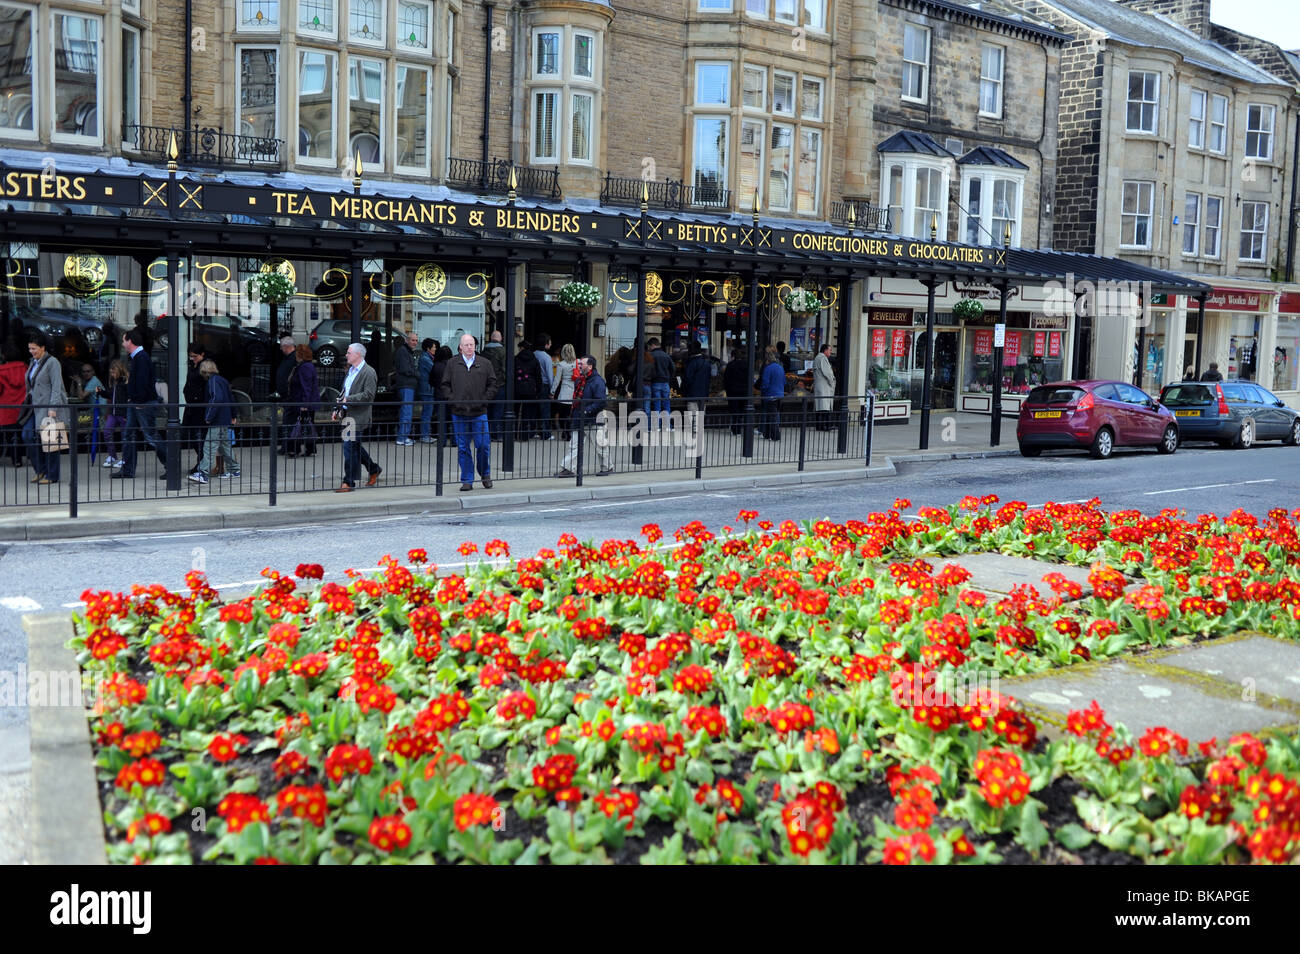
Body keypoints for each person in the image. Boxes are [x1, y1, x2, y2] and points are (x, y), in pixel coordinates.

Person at [438, 332, 497, 492]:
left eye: (472, 344)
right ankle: (467, 479)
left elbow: (493, 383)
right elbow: (445, 384)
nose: (470, 347)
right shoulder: (452, 363)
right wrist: (452, 399)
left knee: (483, 445)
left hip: (480, 412)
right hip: (459, 412)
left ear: (475, 346)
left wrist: (485, 399)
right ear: (460, 347)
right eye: (466, 345)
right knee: (463, 447)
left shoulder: (485, 363)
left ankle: (485, 473)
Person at [113, 329, 168, 480]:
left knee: (150, 436)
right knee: (129, 435)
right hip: (137, 402)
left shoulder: (141, 358)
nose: (123, 344)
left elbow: (143, 382)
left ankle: (171, 465)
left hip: (142, 403)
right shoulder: (138, 357)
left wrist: (138, 400)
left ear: (130, 341)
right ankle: (128, 469)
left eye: (124, 341)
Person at [19, 331, 68, 484]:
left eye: (34, 348)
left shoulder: (52, 362)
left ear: (43, 348)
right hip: (34, 406)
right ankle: (41, 469)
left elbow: (56, 386)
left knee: (50, 440)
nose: (31, 351)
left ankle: (52, 475)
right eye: (30, 348)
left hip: (48, 407)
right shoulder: (33, 362)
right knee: (27, 435)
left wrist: (53, 407)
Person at [333, 342, 382, 492]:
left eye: (349, 352)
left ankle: (348, 482)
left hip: (359, 416)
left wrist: (349, 399)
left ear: (358, 354)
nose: (346, 355)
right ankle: (373, 468)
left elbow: (369, 395)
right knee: (354, 447)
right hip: (348, 414)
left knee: (349, 447)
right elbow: (344, 392)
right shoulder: (351, 371)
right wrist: (337, 408)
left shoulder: (369, 372)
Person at [555, 355, 613, 478]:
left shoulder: (597, 381)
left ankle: (607, 467)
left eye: (582, 364)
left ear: (590, 366)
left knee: (600, 445)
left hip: (593, 419)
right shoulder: (581, 379)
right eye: (579, 364)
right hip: (580, 417)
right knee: (574, 445)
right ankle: (568, 468)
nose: (579, 366)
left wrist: (586, 411)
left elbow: (601, 401)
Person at [189, 360, 239, 484]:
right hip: (225, 418)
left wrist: (209, 416)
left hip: (217, 419)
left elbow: (217, 398)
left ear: (203, 371)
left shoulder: (213, 381)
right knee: (224, 446)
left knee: (209, 446)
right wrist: (233, 415)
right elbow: (231, 398)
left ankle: (203, 473)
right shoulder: (222, 380)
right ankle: (234, 469)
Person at [286, 343, 319, 457]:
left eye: (297, 353)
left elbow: (306, 387)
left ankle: (295, 449)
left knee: (299, 425)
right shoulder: (307, 366)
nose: (295, 355)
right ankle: (309, 448)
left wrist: (304, 404)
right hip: (304, 401)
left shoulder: (305, 367)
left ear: (300, 354)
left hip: (303, 402)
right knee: (306, 425)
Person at [181, 344, 209, 472]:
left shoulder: (205, 366)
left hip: (199, 406)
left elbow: (207, 385)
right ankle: (202, 461)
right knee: (191, 434)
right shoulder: (194, 366)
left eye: (195, 356)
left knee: (199, 436)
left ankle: (202, 463)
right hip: (191, 404)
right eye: (191, 356)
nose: (193, 358)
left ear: (202, 354)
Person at [99, 358, 129, 469]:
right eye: (111, 372)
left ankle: (125, 458)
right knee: (107, 432)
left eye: (114, 372)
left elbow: (129, 398)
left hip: (123, 413)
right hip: (113, 412)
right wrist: (101, 392)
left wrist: (127, 414)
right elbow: (110, 395)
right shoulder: (114, 382)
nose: (112, 374)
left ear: (119, 370)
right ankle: (112, 455)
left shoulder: (125, 382)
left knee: (125, 437)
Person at [0, 342, 26, 467]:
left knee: (7, 436)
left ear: (4, 356)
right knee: (19, 436)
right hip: (22, 409)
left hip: (6, 409)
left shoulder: (1, 371)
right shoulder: (26, 368)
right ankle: (18, 460)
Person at [513, 340, 543, 440]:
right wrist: (538, 390)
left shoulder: (516, 359)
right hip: (530, 389)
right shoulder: (534, 360)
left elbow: (512, 374)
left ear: (521, 348)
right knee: (527, 414)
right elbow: (538, 377)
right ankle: (524, 436)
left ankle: (513, 435)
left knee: (515, 412)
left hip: (517, 388)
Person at [394, 330, 420, 445]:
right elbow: (406, 369)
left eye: (416, 340)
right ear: (407, 340)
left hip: (406, 385)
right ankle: (402, 438)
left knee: (406, 411)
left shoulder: (405, 351)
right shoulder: (403, 351)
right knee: (407, 412)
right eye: (412, 340)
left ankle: (403, 436)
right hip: (406, 385)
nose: (415, 343)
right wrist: (416, 373)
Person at [482, 330, 507, 440]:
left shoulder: (484, 351)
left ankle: (488, 434)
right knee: (499, 410)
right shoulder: (503, 351)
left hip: (486, 385)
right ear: (500, 339)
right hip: (499, 384)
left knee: (488, 410)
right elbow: (505, 369)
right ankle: (498, 434)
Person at [645, 337, 674, 428]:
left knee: (656, 405)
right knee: (666, 405)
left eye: (649, 346)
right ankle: (667, 425)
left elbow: (647, 370)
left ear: (652, 345)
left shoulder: (650, 356)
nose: (648, 348)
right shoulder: (666, 355)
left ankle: (657, 425)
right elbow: (673, 368)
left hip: (655, 383)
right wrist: (669, 378)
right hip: (665, 383)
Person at [757, 345, 784, 441]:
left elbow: (765, 383)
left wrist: (763, 391)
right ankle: (767, 434)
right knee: (773, 415)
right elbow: (784, 381)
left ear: (767, 360)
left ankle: (775, 436)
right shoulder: (780, 367)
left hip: (770, 395)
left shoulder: (768, 369)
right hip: (780, 395)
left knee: (771, 416)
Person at [552, 343, 577, 440]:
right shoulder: (577, 363)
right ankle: (568, 431)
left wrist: (552, 392)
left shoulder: (561, 364)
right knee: (571, 413)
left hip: (564, 391)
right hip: (574, 390)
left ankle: (565, 431)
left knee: (563, 414)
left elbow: (557, 380)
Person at [682, 341, 711, 424]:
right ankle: (699, 429)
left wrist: (683, 389)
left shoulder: (691, 363)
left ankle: (694, 430)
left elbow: (687, 379)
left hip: (692, 393)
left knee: (693, 413)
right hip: (703, 393)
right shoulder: (706, 362)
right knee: (701, 413)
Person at [723, 347, 750, 435]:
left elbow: (726, 380)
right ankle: (739, 429)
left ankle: (735, 430)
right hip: (744, 392)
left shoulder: (730, 365)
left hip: (733, 392)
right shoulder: (746, 365)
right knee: (741, 411)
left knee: (735, 411)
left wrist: (727, 390)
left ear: (733, 356)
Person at [533, 333, 554, 439]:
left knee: (535, 409)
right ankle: (546, 433)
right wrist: (553, 390)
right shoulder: (547, 358)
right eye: (549, 342)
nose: (551, 344)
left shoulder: (533, 354)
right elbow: (550, 376)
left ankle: (534, 431)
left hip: (534, 385)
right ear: (546, 344)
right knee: (545, 410)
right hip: (544, 385)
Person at [417, 337, 438, 443]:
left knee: (427, 413)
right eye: (434, 347)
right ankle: (425, 435)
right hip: (427, 390)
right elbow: (434, 370)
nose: (435, 349)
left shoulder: (428, 357)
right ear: (428, 348)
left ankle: (426, 435)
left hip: (428, 390)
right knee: (427, 414)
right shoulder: (425, 359)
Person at [432, 345, 453, 446]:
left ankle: (442, 441)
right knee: (453, 420)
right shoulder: (453, 365)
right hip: (451, 396)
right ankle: (455, 441)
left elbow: (431, 380)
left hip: (439, 395)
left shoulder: (436, 365)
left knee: (442, 420)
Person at [813, 343, 836, 430]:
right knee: (825, 407)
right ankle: (826, 426)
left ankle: (819, 426)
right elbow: (828, 373)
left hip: (819, 386)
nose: (830, 352)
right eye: (830, 350)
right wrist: (832, 381)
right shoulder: (823, 358)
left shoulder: (817, 358)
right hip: (824, 386)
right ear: (825, 350)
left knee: (820, 407)